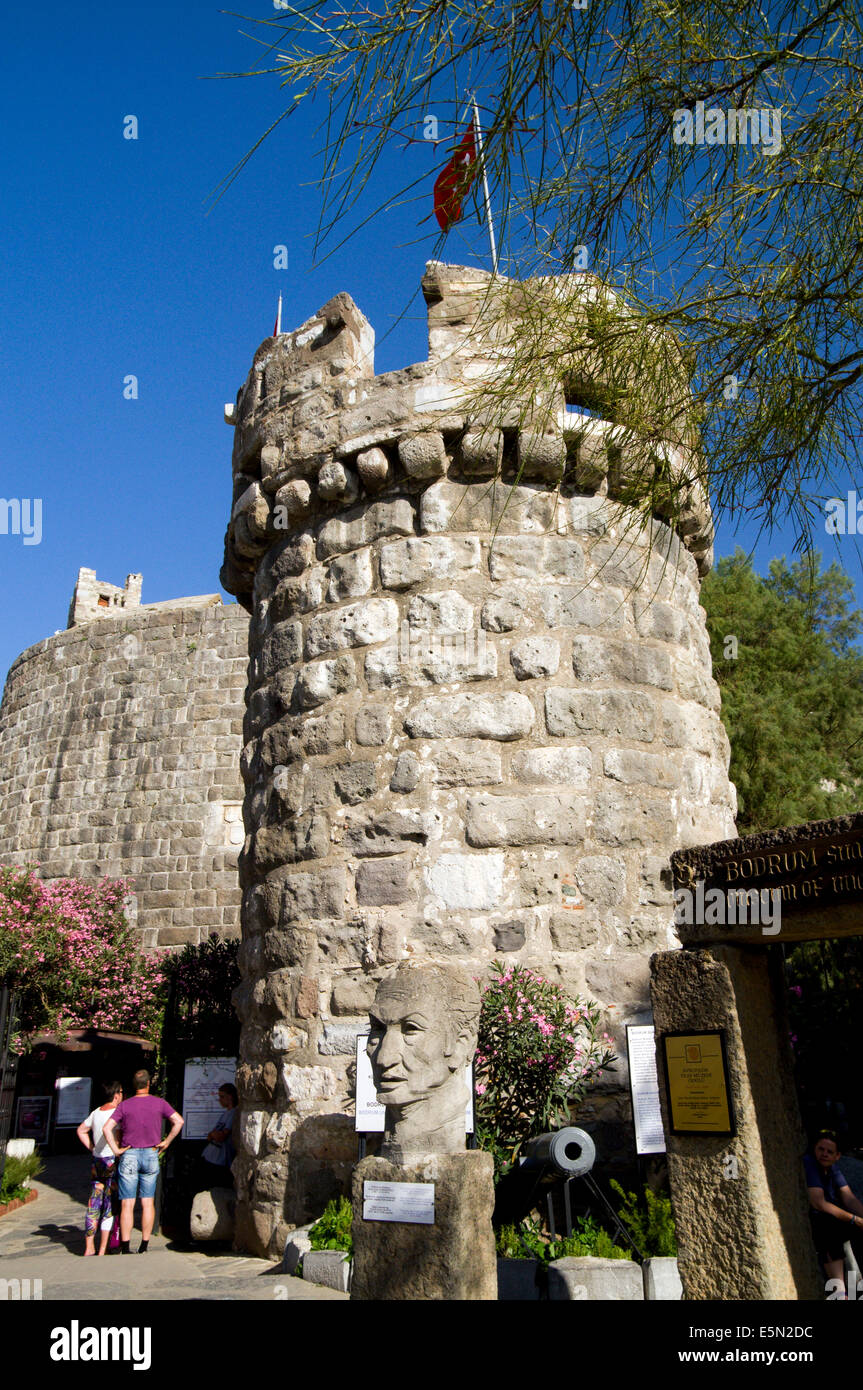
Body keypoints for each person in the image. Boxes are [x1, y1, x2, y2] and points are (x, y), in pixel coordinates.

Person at [102, 1069, 184, 1254]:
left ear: (134, 1085)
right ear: (148, 1084)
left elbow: (107, 1128)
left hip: (129, 1154)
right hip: (150, 1153)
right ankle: (144, 1244)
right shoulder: (159, 1103)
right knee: (148, 1202)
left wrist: (116, 1150)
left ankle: (125, 1245)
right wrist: (166, 1142)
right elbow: (178, 1121)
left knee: (127, 1203)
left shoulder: (125, 1105)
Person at [804, 1129, 863, 1297]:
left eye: (829, 1152)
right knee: (829, 1229)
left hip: (836, 1221)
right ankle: (840, 1292)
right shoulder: (810, 1164)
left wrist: (861, 1219)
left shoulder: (833, 1169)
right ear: (814, 1149)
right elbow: (818, 1202)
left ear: (837, 1156)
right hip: (820, 1223)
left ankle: (854, 1289)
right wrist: (855, 1219)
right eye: (821, 1149)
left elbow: (849, 1198)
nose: (824, 1154)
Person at [76, 1080, 123, 1256]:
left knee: (94, 1202)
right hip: (111, 1159)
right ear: (116, 1095)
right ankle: (102, 1247)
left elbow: (81, 1130)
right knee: (109, 1205)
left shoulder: (96, 1113)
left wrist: (92, 1147)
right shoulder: (117, 1113)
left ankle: (89, 1246)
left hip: (97, 1160)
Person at [197, 1083, 237, 1190]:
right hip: (211, 1155)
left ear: (230, 1097)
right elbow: (212, 1135)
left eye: (222, 1097)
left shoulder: (234, 1113)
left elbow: (221, 1136)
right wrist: (213, 1134)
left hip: (221, 1159)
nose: (220, 1100)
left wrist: (214, 1134)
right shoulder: (225, 1114)